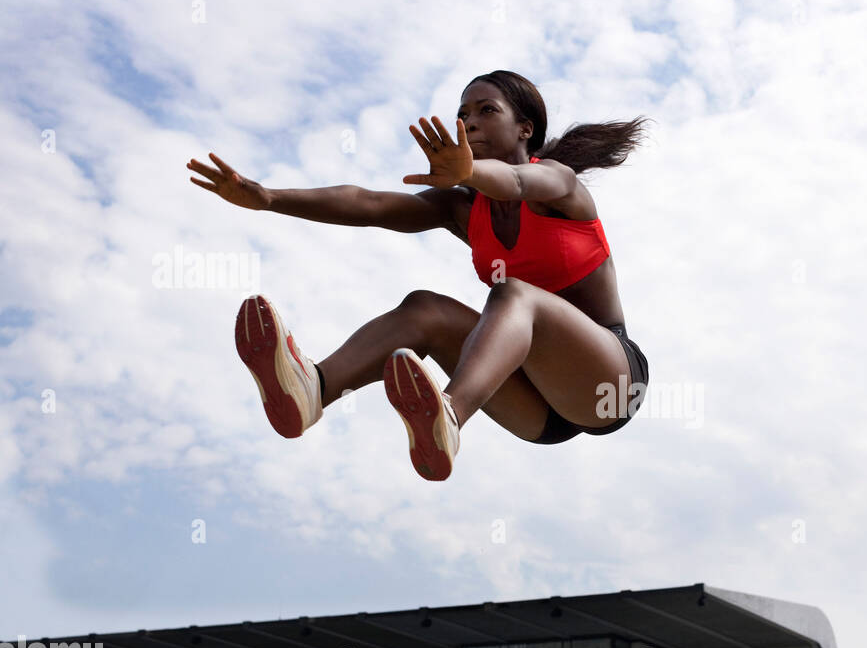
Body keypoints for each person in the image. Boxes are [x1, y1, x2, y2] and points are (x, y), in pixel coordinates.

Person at [188, 69, 651, 481]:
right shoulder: (464, 209)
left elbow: (515, 182)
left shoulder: (557, 181)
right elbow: (370, 204)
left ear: (524, 128)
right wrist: (271, 198)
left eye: (486, 111)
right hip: (538, 411)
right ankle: (314, 389)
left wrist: (468, 171)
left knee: (514, 295)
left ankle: (451, 414)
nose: (469, 122)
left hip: (608, 382)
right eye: (463, 113)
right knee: (424, 309)